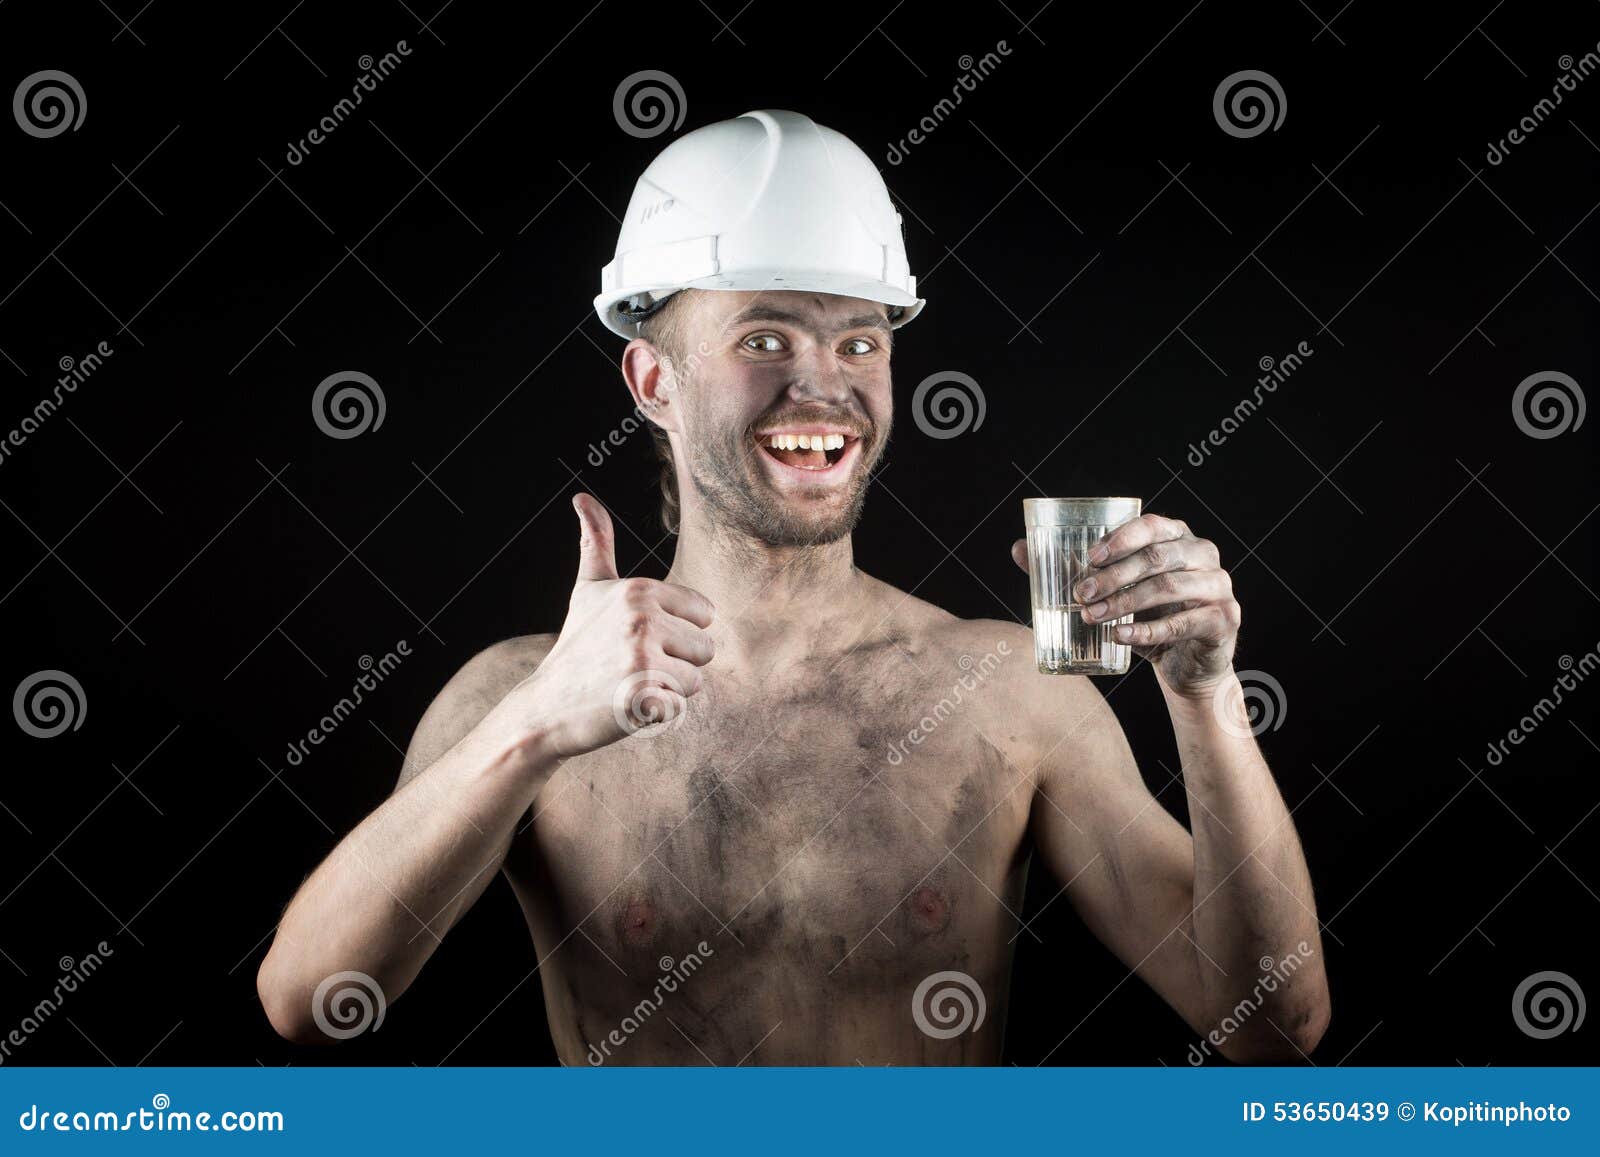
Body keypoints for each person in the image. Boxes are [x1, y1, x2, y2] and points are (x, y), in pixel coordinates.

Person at [257, 109, 1330, 1065]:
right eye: (764, 337)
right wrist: (533, 727)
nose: (823, 383)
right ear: (653, 380)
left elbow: (1272, 1026)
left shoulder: (1008, 691)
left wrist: (1204, 696)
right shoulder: (523, 694)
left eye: (860, 341)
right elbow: (308, 1001)